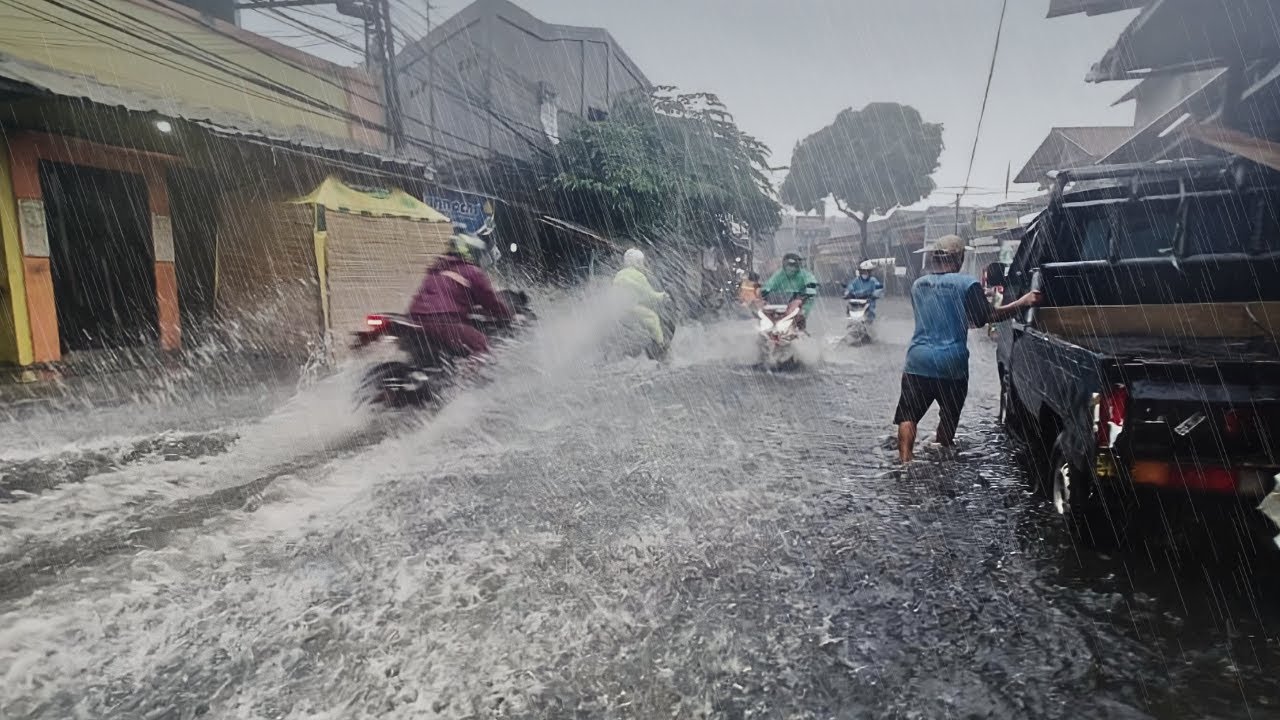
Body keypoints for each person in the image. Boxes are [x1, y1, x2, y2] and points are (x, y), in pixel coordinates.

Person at [895, 235, 1041, 463]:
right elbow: (985, 317)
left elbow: (932, 316)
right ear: (959, 258)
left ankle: (905, 463)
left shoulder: (918, 285)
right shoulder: (967, 284)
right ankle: (942, 454)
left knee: (908, 415)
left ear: (933, 258)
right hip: (952, 364)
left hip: (918, 360)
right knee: (949, 415)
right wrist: (1022, 302)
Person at [406, 226, 513, 360]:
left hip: (414, 319)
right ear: (473, 252)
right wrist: (508, 316)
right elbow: (490, 300)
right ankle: (464, 374)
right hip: (443, 321)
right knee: (483, 347)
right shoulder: (472, 271)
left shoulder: (437, 269)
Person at [613, 247, 669, 348]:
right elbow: (649, 295)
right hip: (631, 307)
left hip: (618, 308)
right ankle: (660, 346)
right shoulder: (639, 276)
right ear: (637, 262)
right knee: (653, 317)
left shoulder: (619, 274)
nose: (643, 264)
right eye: (641, 261)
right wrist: (663, 296)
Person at [761, 253, 819, 329]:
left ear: (798, 265)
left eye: (794, 266)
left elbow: (812, 286)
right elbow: (768, 286)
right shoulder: (779, 274)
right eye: (789, 265)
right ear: (784, 265)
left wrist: (800, 298)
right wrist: (763, 296)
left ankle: (800, 331)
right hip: (780, 306)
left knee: (799, 321)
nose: (791, 268)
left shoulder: (805, 275)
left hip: (799, 306)